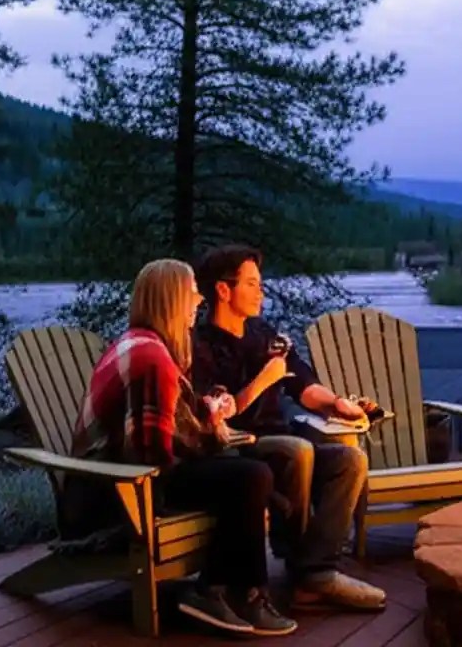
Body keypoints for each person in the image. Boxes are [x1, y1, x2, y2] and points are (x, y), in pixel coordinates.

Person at [68, 258, 297, 637]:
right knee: (251, 475)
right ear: (172, 299)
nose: (198, 302)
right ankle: (224, 592)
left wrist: (205, 417)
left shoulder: (144, 344)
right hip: (117, 497)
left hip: (120, 485)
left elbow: (167, 424)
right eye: (192, 294)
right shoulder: (150, 356)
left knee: (247, 474)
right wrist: (209, 439)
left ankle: (243, 593)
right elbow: (152, 451)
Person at [190, 244, 386, 612]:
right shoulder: (201, 347)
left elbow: (302, 383)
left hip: (286, 443)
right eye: (251, 283)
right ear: (223, 290)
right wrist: (263, 381)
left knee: (350, 460)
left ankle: (316, 572)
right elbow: (215, 418)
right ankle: (301, 568)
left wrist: (335, 404)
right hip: (240, 452)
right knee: (298, 450)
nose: (261, 291)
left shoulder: (264, 332)